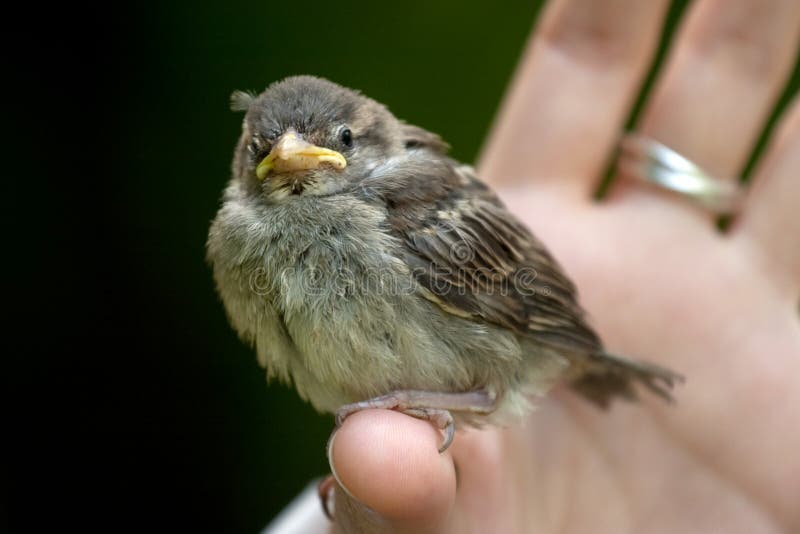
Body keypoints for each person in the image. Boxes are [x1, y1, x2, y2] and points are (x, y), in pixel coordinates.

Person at [268, 1, 800, 532]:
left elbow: (509, 289)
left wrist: (409, 403)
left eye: (338, 141)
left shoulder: (394, 204)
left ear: (365, 140)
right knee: (386, 457)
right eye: (266, 148)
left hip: (514, 340)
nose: (293, 154)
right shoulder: (241, 244)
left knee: (404, 440)